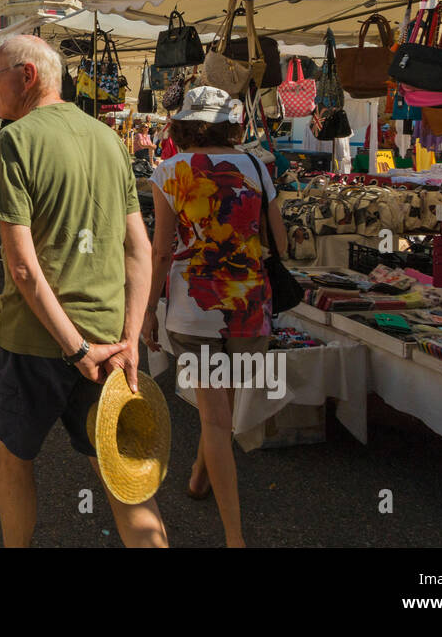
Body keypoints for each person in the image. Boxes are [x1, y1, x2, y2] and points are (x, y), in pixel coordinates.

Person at [0, 35, 167, 548]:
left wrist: (73, 347)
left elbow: (22, 267)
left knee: (16, 461)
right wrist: (129, 340)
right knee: (123, 473)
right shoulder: (109, 139)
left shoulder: (15, 141)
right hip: (108, 339)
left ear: (28, 76)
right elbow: (139, 249)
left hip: (33, 342)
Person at [144, 86, 285, 548]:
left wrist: (147, 311)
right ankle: (200, 478)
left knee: (214, 418)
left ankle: (234, 538)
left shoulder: (169, 171)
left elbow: (161, 252)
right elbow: (279, 244)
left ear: (183, 124)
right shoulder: (258, 169)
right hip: (249, 307)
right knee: (221, 413)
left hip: (194, 310)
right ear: (232, 123)